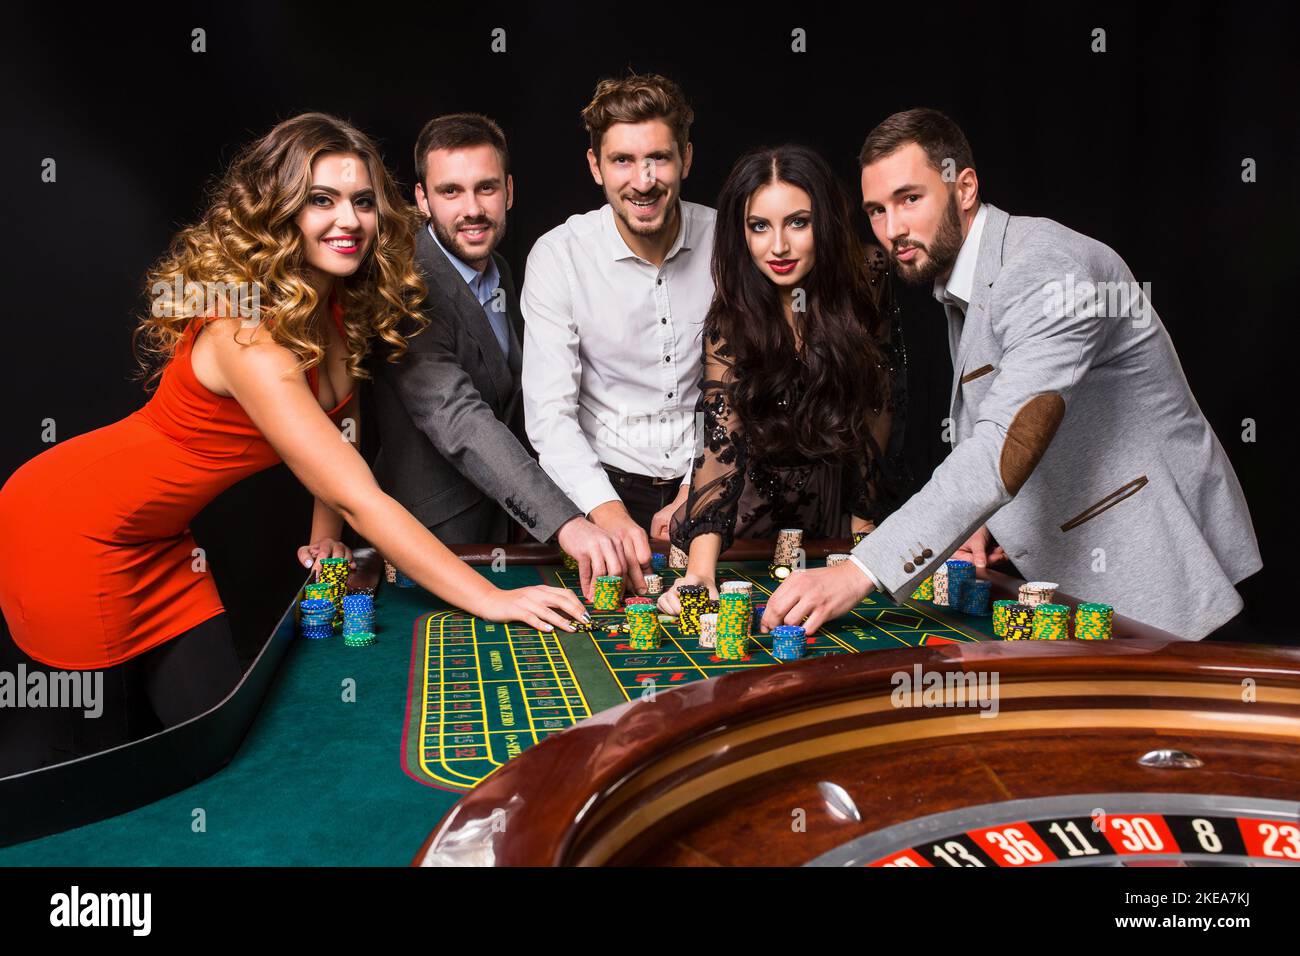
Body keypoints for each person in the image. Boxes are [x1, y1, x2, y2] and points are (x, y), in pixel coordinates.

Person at [0, 113, 586, 774]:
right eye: (321, 200)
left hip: (161, 539)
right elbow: (362, 494)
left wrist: (326, 533)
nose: (350, 219)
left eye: (363, 200)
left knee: (220, 744)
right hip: (73, 530)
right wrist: (491, 599)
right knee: (96, 778)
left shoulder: (334, 304)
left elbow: (341, 431)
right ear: (279, 212)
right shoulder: (246, 333)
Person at [761, 108, 1261, 640]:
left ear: (965, 188)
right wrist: (978, 523)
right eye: (876, 211)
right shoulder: (966, 280)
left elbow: (1006, 440)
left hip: (1159, 572)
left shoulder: (1045, 269)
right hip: (1087, 582)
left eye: (910, 199)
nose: (893, 229)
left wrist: (859, 571)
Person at [365, 113, 621, 599]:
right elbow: (459, 418)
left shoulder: (500, 268)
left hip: (506, 528)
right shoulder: (403, 287)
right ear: (422, 200)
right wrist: (565, 519)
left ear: (509, 191)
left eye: (485, 189)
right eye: (451, 192)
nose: (472, 209)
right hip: (433, 541)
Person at [658, 144, 906, 614]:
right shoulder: (730, 321)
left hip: (837, 508)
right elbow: (720, 443)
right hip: (751, 517)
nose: (778, 247)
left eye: (798, 222)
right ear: (741, 232)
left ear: (825, 223)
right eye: (759, 226)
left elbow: (879, 401)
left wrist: (864, 519)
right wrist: (700, 572)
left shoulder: (868, 277)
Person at [521, 73, 716, 592]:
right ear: (595, 167)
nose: (644, 179)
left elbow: (752, 390)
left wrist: (700, 488)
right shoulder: (558, 256)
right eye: (622, 160)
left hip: (717, 484)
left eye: (659, 157)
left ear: (687, 159)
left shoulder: (728, 242)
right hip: (602, 490)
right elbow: (549, 416)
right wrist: (606, 512)